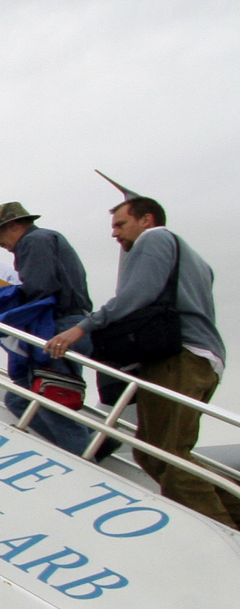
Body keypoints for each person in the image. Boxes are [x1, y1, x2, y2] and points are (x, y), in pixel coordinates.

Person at [48, 197, 240, 528]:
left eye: (121, 224)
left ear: (146, 220)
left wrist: (83, 327)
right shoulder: (194, 257)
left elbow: (137, 294)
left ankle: (224, 535)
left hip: (182, 359)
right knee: (152, 453)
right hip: (198, 359)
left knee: (170, 457)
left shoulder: (155, 239)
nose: (115, 234)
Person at [0, 202, 92, 455]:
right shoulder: (48, 238)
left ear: (14, 225)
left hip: (58, 327)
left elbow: (41, 290)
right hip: (71, 324)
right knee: (19, 399)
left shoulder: (33, 242)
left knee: (51, 403)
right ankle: (99, 444)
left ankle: (86, 455)